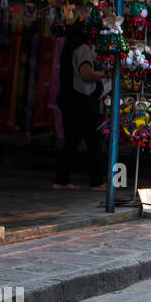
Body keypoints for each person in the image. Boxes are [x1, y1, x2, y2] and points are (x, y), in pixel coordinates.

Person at [53, 22, 108, 191]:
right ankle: (97, 181)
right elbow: (86, 74)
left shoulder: (69, 46)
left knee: (72, 140)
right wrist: (106, 74)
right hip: (81, 99)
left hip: (68, 98)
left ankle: (61, 180)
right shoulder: (82, 48)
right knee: (93, 140)